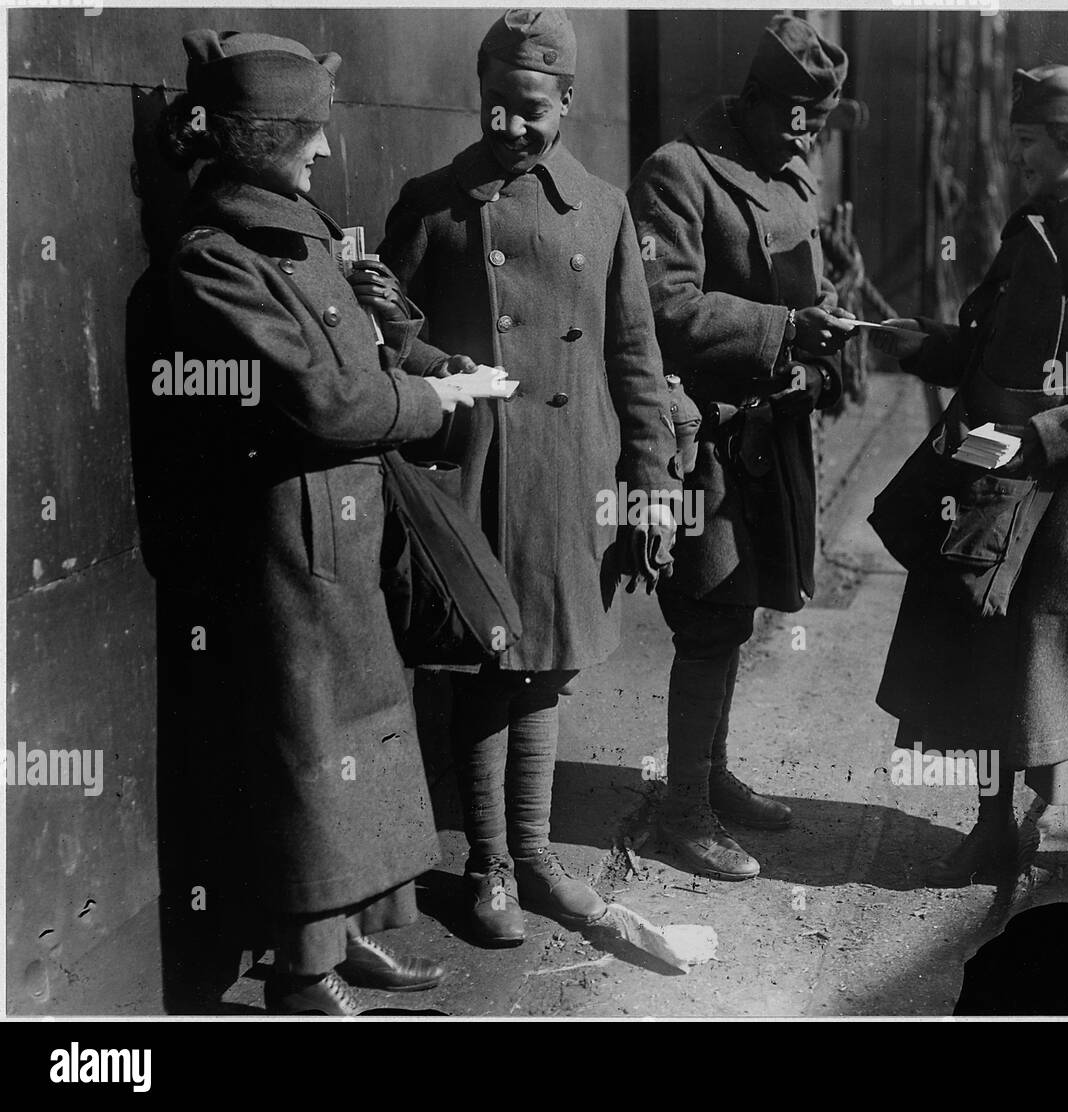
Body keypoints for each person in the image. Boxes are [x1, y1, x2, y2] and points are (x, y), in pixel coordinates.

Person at [162, 29, 474, 1014]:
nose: (323, 151)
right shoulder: (215, 258)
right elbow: (322, 403)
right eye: (307, 133)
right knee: (307, 756)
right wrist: (429, 405)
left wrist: (413, 358)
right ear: (261, 140)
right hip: (288, 552)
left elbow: (348, 373)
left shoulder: (287, 228)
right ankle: (304, 975)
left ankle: (348, 939)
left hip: (339, 536)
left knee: (363, 737)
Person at [378, 9, 679, 946]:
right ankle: (489, 866)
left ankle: (539, 857)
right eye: (494, 106)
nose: (509, 126)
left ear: (569, 102)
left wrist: (654, 481)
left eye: (531, 108)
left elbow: (635, 357)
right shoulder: (430, 201)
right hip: (472, 471)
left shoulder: (602, 204)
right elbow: (382, 343)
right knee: (482, 672)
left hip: (569, 472)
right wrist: (420, 347)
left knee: (544, 667)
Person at [869, 65, 1068, 900]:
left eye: (1026, 144)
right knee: (984, 652)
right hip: (993, 478)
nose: (1014, 158)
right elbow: (986, 347)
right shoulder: (1031, 227)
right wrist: (915, 343)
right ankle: (989, 825)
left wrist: (1050, 435)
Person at [627, 15, 854, 880]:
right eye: (789, 111)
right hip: (706, 436)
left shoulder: (791, 168)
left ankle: (713, 779)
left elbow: (813, 275)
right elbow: (661, 306)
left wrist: (822, 342)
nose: (801, 131)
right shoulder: (678, 172)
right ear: (750, 96)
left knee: (744, 606)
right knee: (710, 617)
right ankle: (682, 809)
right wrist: (785, 328)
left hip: (773, 423)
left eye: (816, 118)